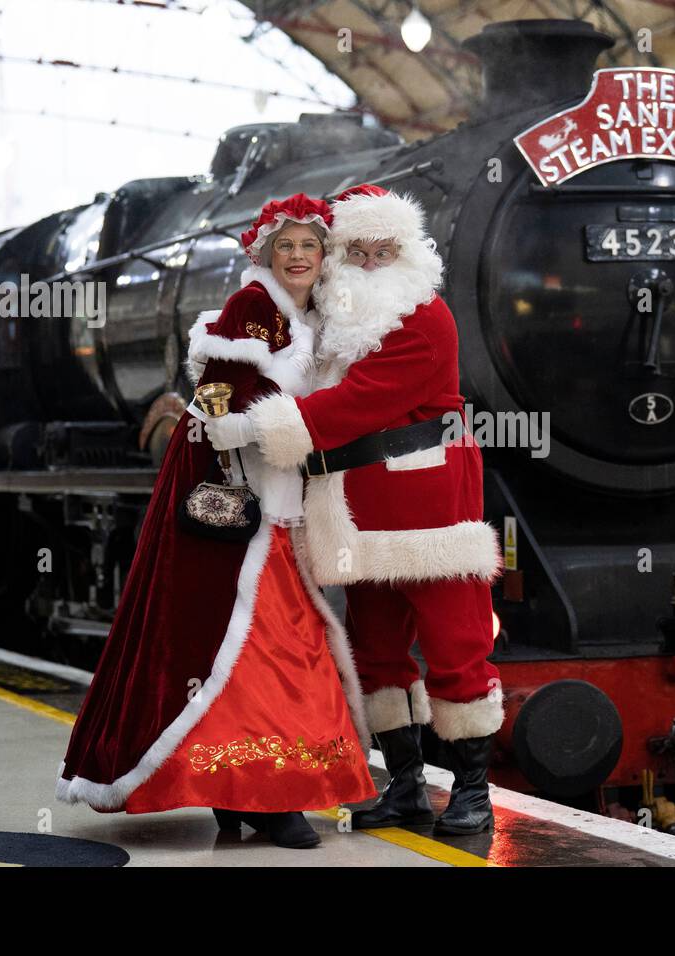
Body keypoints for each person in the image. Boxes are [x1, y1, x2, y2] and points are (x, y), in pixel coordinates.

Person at [56, 193, 376, 849]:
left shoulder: (301, 312)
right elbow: (215, 407)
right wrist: (278, 433)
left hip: (269, 505)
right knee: (265, 650)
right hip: (243, 511)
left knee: (245, 649)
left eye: (308, 246)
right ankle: (271, 796)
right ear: (264, 252)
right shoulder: (253, 308)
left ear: (323, 256)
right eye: (285, 245)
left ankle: (239, 796)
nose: (297, 256)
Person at [205, 184, 504, 835]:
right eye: (356, 249)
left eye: (383, 249)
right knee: (377, 652)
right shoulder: (334, 329)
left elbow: (353, 406)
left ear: (408, 251)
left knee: (457, 649)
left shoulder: (425, 319)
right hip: (360, 513)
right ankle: (404, 787)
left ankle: (474, 792)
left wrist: (257, 426)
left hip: (432, 512)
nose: (368, 260)